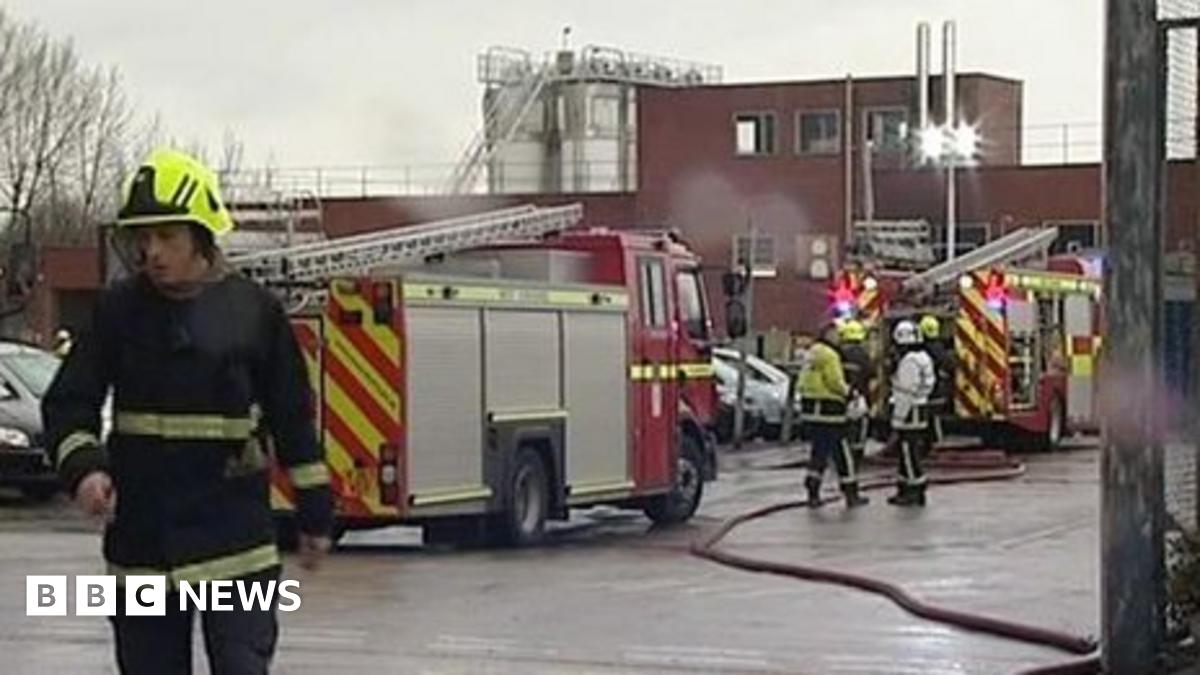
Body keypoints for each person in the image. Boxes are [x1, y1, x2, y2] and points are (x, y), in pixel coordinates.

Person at [42, 148, 333, 675]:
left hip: (235, 550)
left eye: (167, 237)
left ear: (201, 235)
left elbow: (292, 416)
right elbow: (69, 402)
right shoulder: (118, 312)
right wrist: (84, 470)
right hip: (143, 550)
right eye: (142, 239)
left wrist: (315, 513)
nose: (151, 252)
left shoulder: (255, 312)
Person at [798, 322, 868, 508]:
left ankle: (813, 492)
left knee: (819, 452)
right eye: (836, 334)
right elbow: (835, 381)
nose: (839, 337)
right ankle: (851, 493)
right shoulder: (830, 355)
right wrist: (849, 393)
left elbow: (803, 381)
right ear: (828, 334)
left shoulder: (811, 352)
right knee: (842, 452)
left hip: (811, 410)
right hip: (831, 410)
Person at [887, 320, 936, 506]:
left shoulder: (909, 362)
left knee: (908, 453)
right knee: (909, 452)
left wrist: (897, 419)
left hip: (909, 412)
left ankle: (914, 491)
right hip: (920, 409)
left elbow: (906, 392)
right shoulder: (924, 357)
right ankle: (906, 488)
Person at [919, 314, 953, 445]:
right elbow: (948, 364)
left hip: (924, 391)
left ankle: (931, 440)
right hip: (935, 389)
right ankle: (934, 440)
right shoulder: (938, 348)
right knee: (932, 416)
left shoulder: (919, 349)